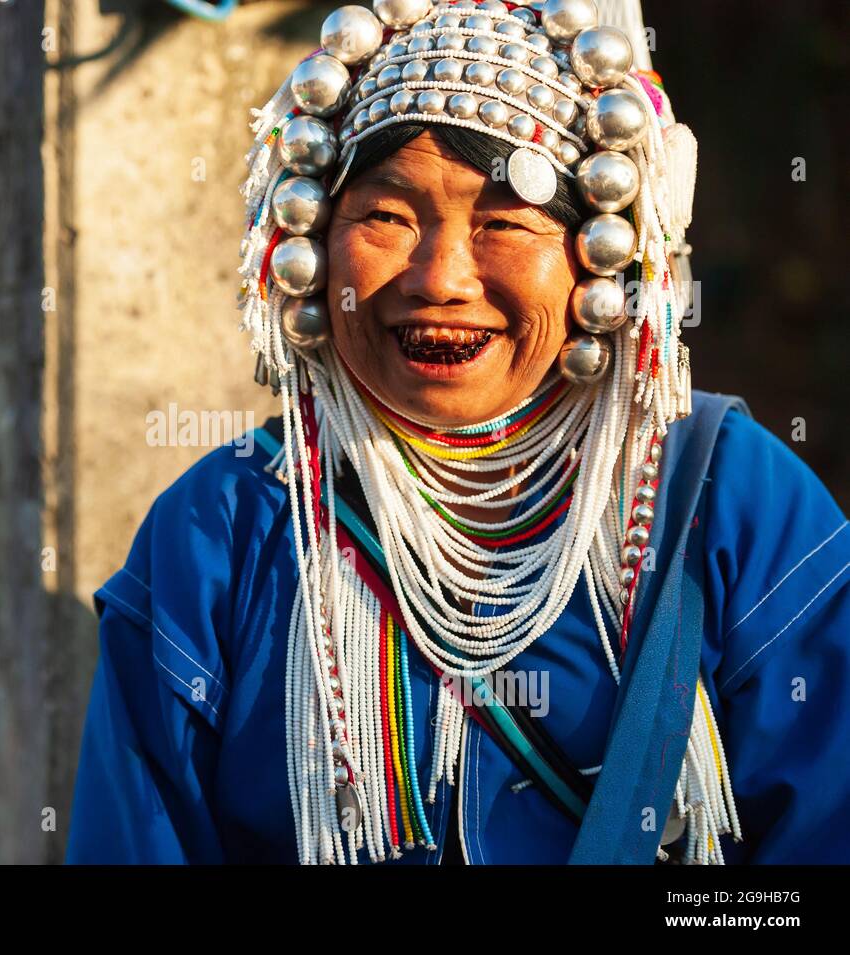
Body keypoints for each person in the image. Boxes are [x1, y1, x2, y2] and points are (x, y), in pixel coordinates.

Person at [65, 0, 850, 865]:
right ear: (313, 246)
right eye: (388, 218)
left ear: (602, 249)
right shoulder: (223, 532)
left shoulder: (731, 504)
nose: (440, 277)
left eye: (505, 223)